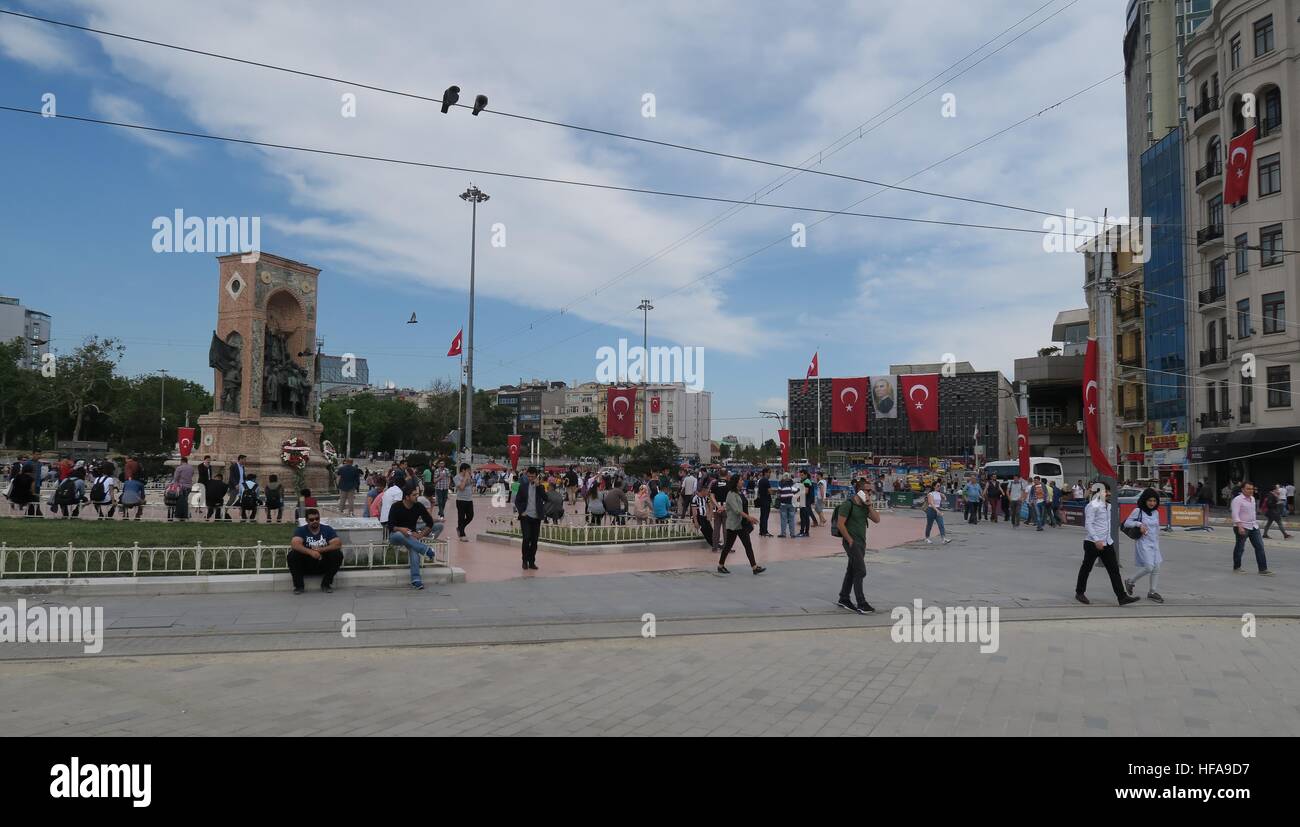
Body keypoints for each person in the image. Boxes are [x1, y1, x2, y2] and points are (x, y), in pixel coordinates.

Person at [1076, 483, 1141, 606]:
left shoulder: (1109, 506)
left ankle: (1122, 597)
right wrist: (1096, 540)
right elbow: (1088, 524)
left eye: (1108, 491)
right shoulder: (1092, 506)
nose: (1109, 494)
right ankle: (1080, 592)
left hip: (1107, 542)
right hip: (1092, 543)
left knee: (1114, 570)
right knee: (1086, 568)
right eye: (1106, 491)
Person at [835, 478, 881, 614]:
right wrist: (850, 540)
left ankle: (843, 598)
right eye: (868, 490)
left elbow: (877, 519)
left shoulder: (864, 506)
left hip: (861, 543)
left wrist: (869, 505)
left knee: (852, 570)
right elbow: (840, 524)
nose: (870, 492)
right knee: (860, 571)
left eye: (871, 490)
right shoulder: (848, 505)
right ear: (859, 491)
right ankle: (861, 603)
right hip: (852, 542)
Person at [386, 484, 445, 590]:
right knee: (401, 535)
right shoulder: (396, 506)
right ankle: (425, 549)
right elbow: (390, 526)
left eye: (417, 494)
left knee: (414, 549)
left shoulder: (418, 506)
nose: (417, 497)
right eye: (414, 495)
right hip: (396, 535)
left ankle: (416, 580)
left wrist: (421, 534)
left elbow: (430, 522)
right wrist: (401, 529)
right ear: (407, 497)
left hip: (411, 537)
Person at [288, 508, 344, 594]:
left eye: (317, 519)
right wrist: (311, 552)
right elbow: (295, 544)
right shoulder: (301, 530)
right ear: (307, 520)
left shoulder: (327, 529)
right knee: (292, 555)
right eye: (311, 519)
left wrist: (320, 550)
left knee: (337, 554)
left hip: (323, 562)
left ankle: (326, 584)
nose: (315, 521)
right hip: (306, 563)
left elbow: (337, 543)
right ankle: (299, 586)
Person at [1123, 488, 1165, 603]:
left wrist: (1157, 542)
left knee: (1156, 567)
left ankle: (1152, 592)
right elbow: (1126, 523)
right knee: (1149, 567)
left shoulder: (1156, 512)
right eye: (1149, 500)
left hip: (1154, 543)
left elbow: (1156, 528)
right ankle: (1130, 581)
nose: (1152, 503)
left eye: (1154, 501)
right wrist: (1139, 523)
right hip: (1143, 543)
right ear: (1144, 500)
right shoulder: (1138, 511)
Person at [718, 474, 765, 575]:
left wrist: (748, 520)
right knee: (728, 546)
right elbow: (737, 510)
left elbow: (743, 508)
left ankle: (754, 567)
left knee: (748, 545)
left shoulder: (740, 493)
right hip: (734, 525)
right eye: (740, 480)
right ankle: (720, 566)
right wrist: (749, 518)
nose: (742, 482)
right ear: (736, 482)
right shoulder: (731, 494)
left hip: (741, 524)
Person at [1231, 482, 1274, 575]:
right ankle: (1237, 567)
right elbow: (1235, 514)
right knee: (1240, 548)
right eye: (1248, 489)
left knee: (1260, 547)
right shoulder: (1237, 500)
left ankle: (1263, 569)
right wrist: (1240, 526)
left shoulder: (1253, 499)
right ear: (1242, 489)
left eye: (1252, 489)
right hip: (1242, 527)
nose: (1251, 491)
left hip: (1254, 526)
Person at [515, 467, 546, 571]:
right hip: (526, 517)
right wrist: (521, 511)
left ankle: (532, 561)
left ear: (536, 476)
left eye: (532, 476)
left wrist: (539, 487)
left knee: (534, 541)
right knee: (526, 538)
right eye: (528, 476)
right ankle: (524, 560)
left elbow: (546, 498)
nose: (530, 478)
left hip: (536, 517)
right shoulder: (523, 486)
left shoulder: (540, 487)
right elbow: (517, 501)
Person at [452, 462, 475, 540]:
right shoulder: (456, 477)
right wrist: (465, 478)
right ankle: (462, 534)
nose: (469, 471)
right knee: (461, 517)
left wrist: (469, 479)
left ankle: (459, 528)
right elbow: (461, 487)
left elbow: (471, 484)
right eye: (468, 470)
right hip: (461, 500)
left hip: (469, 500)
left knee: (470, 516)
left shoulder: (469, 477)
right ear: (463, 470)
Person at [777, 473, 796, 538]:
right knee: (792, 519)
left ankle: (783, 534)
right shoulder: (792, 483)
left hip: (783, 504)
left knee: (783, 519)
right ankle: (792, 534)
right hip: (791, 503)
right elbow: (796, 491)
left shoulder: (781, 483)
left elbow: (779, 495)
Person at [754, 468, 772, 536]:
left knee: (762, 516)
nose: (770, 474)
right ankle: (765, 531)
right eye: (769, 472)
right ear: (765, 473)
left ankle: (761, 531)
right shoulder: (766, 481)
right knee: (765, 517)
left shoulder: (760, 480)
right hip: (766, 501)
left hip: (762, 500)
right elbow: (770, 491)